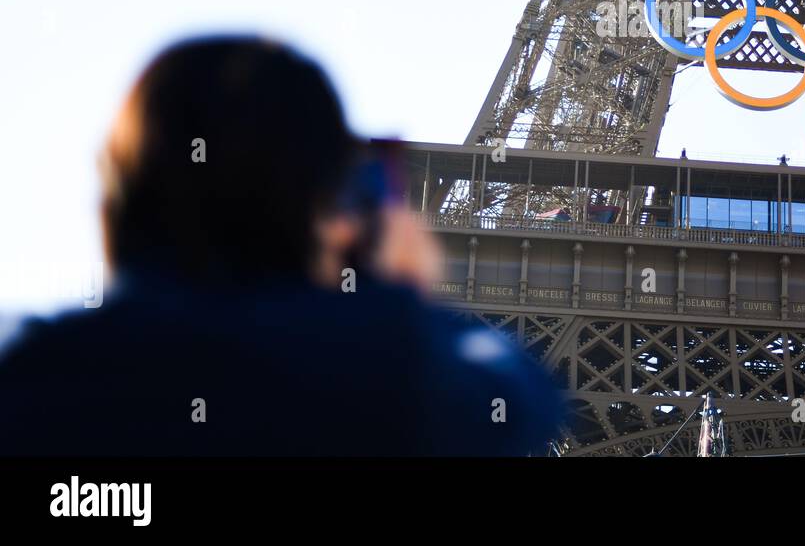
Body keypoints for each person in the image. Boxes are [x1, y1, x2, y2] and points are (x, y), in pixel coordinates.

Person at [0, 36, 566, 455]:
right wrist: (399, 292)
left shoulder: (30, 378)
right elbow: (523, 399)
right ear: (325, 204)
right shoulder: (402, 376)